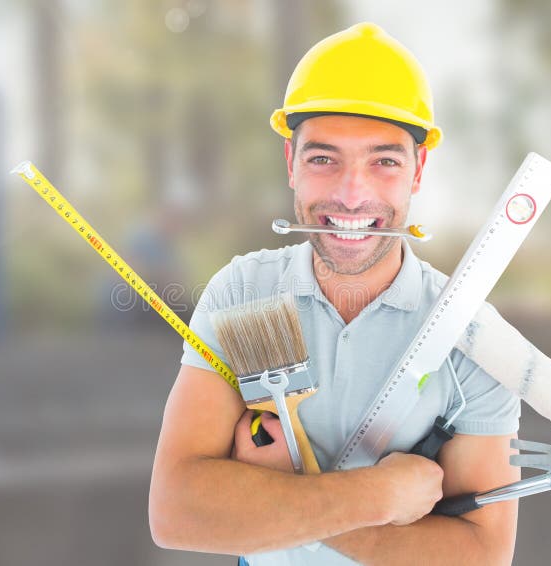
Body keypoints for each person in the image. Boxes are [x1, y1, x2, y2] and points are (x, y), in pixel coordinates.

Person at [149, 22, 520, 565]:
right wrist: (377, 496)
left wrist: (289, 494)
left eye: (384, 161)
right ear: (291, 164)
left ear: (418, 170)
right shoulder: (244, 292)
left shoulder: (473, 334)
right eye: (323, 159)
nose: (351, 194)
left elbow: (482, 556)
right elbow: (178, 513)